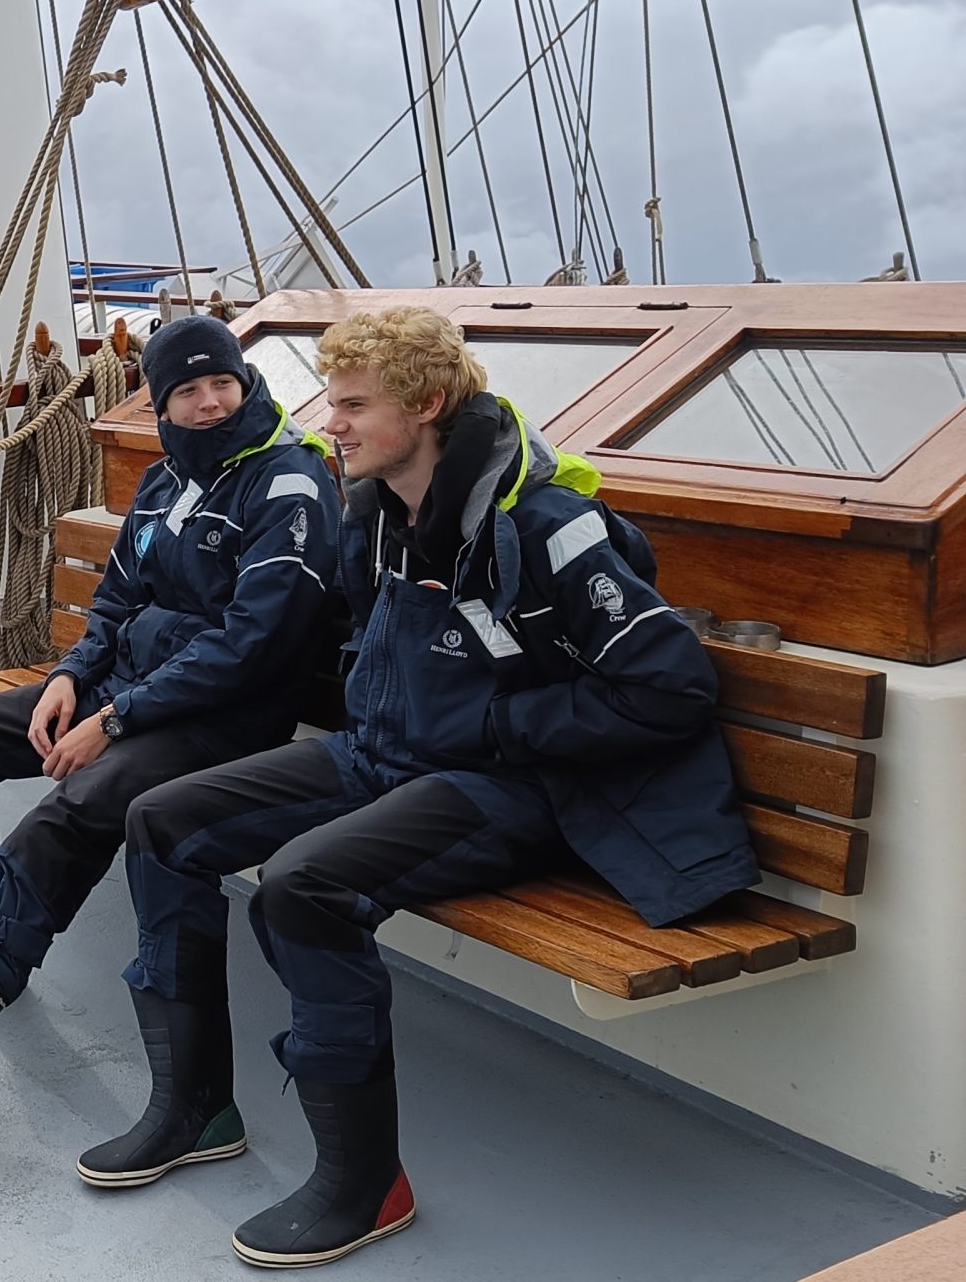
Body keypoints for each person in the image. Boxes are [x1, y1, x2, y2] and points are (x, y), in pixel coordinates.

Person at [110, 306, 755, 1268]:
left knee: (303, 888)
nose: (330, 424)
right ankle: (193, 1108)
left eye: (354, 406)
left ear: (427, 405)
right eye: (333, 402)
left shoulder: (546, 526)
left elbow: (671, 688)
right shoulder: (376, 515)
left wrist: (501, 725)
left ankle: (365, 1182)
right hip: (386, 757)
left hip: (510, 787)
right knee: (163, 822)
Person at [0, 316, 341, 1132]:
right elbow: (118, 600)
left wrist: (116, 717)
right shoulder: (167, 479)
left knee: (65, 817)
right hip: (127, 690)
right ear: (162, 405)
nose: (209, 403)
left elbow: (251, 646)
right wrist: (69, 677)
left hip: (222, 716)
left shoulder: (289, 484)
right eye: (188, 391)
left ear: (244, 384)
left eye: (221, 384)